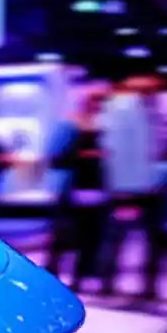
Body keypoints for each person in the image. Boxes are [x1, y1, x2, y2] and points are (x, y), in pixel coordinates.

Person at [100, 77, 164, 298]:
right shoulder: (122, 108)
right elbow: (116, 149)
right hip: (129, 186)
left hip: (150, 184)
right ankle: (107, 283)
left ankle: (147, 286)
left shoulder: (149, 110)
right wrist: (120, 187)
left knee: (154, 240)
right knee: (117, 237)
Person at [46, 89, 109, 291]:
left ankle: (82, 277)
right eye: (95, 100)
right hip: (73, 188)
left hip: (98, 189)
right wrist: (85, 155)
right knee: (65, 236)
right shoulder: (69, 124)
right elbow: (55, 158)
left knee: (91, 237)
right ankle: (52, 274)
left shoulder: (107, 126)